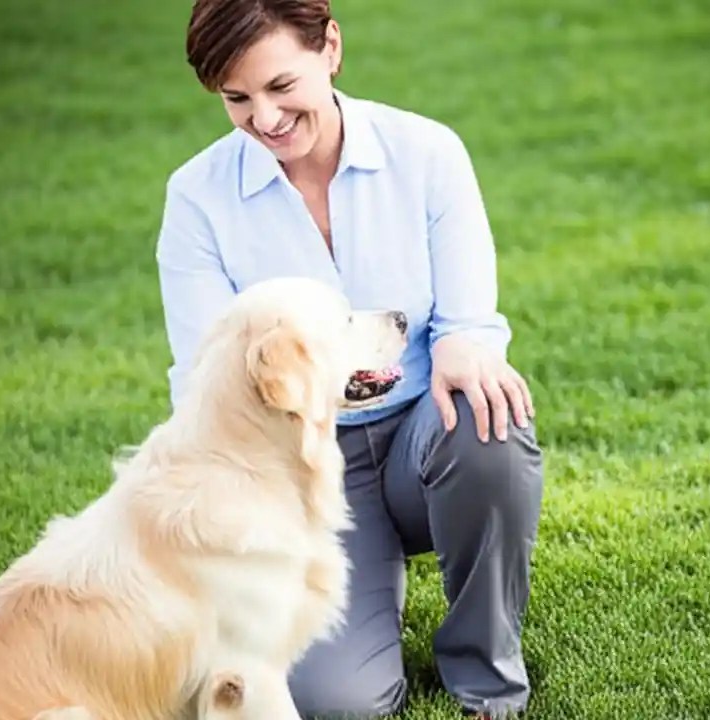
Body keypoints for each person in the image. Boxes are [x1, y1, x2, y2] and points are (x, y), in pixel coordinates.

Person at [152, 1, 545, 717]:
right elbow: (207, 383)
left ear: (330, 47)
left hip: (425, 440)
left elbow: (467, 325)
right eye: (236, 99)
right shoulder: (198, 199)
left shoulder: (425, 152)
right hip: (305, 468)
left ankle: (485, 674)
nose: (264, 119)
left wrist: (466, 346)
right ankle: (368, 584)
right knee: (340, 705)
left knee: (492, 421)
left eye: (280, 87)